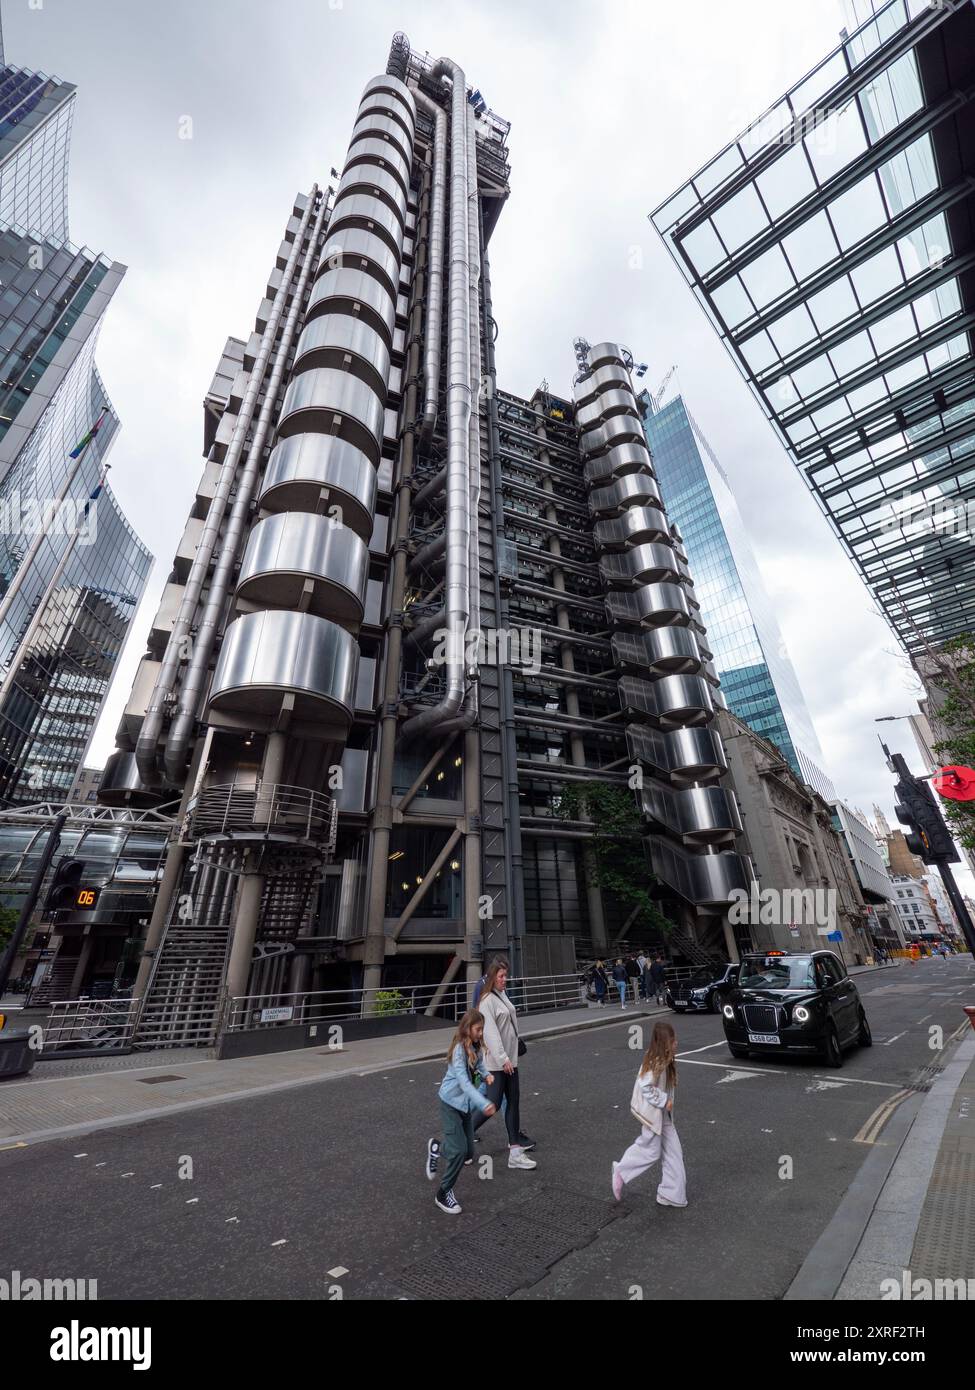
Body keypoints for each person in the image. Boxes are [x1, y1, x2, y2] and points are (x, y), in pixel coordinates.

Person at [426, 1010, 496, 1215]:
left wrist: (487, 1075)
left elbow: (480, 1065)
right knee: (458, 1153)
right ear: (467, 1029)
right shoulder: (458, 1050)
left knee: (468, 1152)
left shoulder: (476, 1046)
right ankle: (443, 1194)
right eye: (478, 1029)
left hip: (464, 1105)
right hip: (450, 1103)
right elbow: (464, 1083)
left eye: (482, 1029)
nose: (481, 1033)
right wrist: (483, 1103)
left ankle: (437, 1148)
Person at [612, 1018, 686, 1208]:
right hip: (653, 1114)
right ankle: (621, 1171)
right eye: (673, 1040)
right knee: (650, 1150)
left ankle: (671, 1194)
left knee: (674, 1152)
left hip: (662, 1115)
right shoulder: (656, 1061)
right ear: (665, 1043)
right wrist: (664, 1101)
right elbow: (646, 1087)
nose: (676, 1043)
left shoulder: (663, 1058)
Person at [474, 957, 537, 1167]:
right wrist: (503, 1059)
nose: (505, 979)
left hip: (510, 1060)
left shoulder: (501, 994)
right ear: (492, 977)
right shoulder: (486, 1002)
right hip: (498, 1063)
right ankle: (460, 1135)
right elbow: (490, 1033)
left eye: (506, 975)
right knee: (492, 1104)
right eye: (501, 976)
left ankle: (515, 1153)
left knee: (513, 1102)